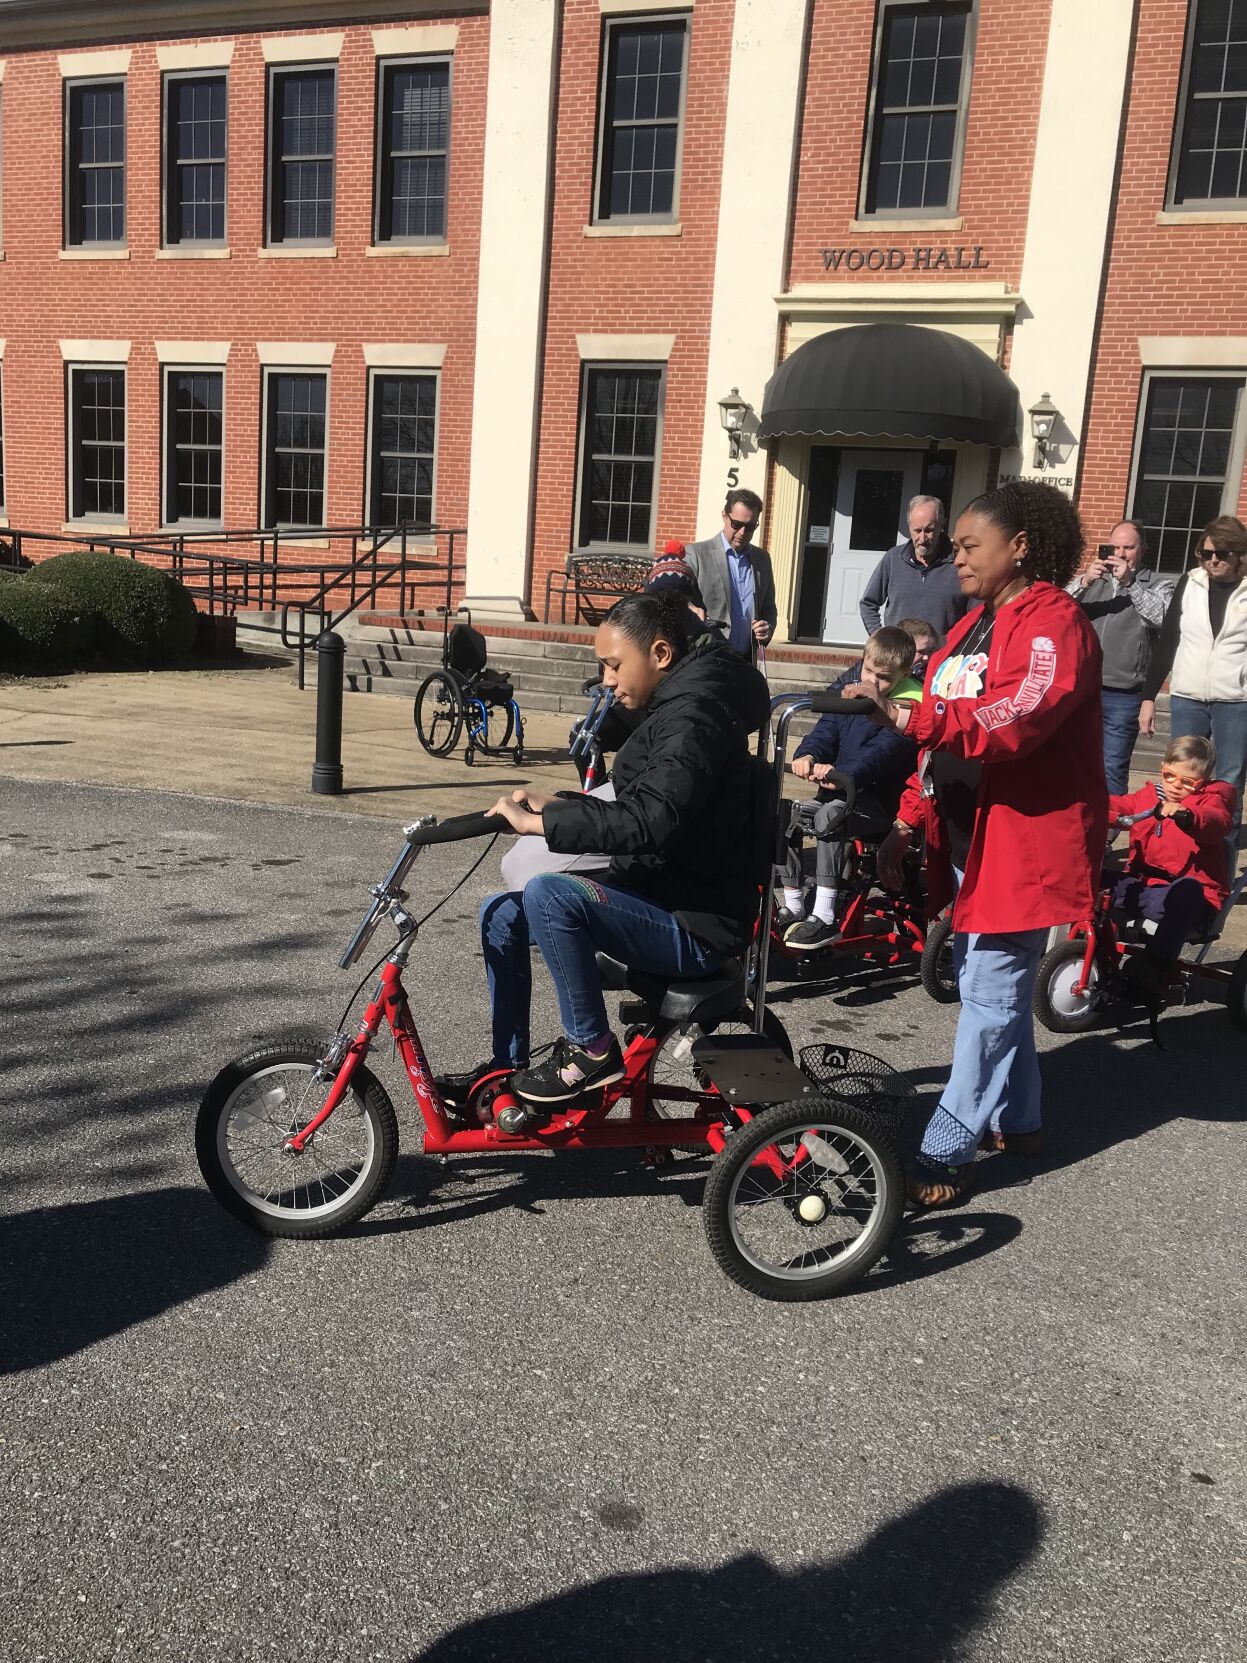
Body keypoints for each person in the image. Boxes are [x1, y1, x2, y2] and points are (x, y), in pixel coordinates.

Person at [867, 480, 1105, 1208]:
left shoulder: (1053, 623)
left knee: (992, 994)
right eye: (957, 545)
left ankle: (946, 1150)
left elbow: (1011, 715)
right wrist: (907, 818)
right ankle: (1020, 1117)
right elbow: (936, 728)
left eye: (971, 546)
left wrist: (910, 711)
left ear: (1020, 547)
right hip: (969, 835)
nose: (957, 557)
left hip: (1025, 841)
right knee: (986, 984)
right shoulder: (975, 620)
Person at [472, 593, 770, 1114]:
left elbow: (650, 820)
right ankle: (507, 1067)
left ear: (659, 654)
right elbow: (642, 803)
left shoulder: (693, 718)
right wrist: (560, 804)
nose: (606, 681)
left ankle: (591, 1049)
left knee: (551, 894)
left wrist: (546, 823)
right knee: (500, 912)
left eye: (613, 666)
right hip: (661, 894)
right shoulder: (674, 705)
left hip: (697, 925)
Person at [778, 626, 921, 950]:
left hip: (881, 806)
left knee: (831, 814)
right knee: (783, 813)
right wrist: (808, 755)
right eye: (868, 670)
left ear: (905, 673)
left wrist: (842, 773)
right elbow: (828, 725)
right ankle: (794, 903)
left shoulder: (908, 706)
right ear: (862, 661)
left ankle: (826, 916)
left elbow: (882, 753)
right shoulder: (851, 683)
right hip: (842, 791)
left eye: (883, 678)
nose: (872, 682)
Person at [1140, 516, 1247, 877]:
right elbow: (1168, 639)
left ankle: (1219, 871)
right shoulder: (1191, 582)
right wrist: (1149, 696)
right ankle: (1179, 865)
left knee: (1228, 786)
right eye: (1205, 553)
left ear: (1240, 555)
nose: (1212, 561)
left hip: (1236, 700)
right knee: (1183, 781)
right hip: (1188, 696)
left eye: (1221, 554)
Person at [1106, 735, 1235, 998]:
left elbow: (1215, 822)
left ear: (1203, 781)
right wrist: (1088, 801)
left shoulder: (1211, 801)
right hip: (1144, 887)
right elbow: (1121, 806)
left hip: (1187, 894)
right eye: (1169, 775)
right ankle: (1088, 949)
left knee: (1187, 891)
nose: (1176, 786)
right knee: (1092, 878)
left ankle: (1155, 965)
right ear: (1163, 767)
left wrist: (1187, 815)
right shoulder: (1149, 796)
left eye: (1187, 782)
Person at [1067, 520, 1175, 793]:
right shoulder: (1092, 581)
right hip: (1082, 689)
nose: (1121, 553)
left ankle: (1107, 833)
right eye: (1115, 547)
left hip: (1124, 694)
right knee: (1072, 762)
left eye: (1128, 547)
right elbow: (1055, 607)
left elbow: (1160, 617)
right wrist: (1082, 581)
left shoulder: (1159, 584)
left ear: (1143, 549)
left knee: (1112, 768)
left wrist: (1130, 582)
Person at [859, 496, 972, 639]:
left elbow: (976, 613)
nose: (923, 538)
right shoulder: (894, 559)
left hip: (941, 656)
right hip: (898, 655)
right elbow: (868, 603)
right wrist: (880, 639)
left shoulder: (959, 563)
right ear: (909, 526)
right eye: (917, 530)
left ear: (942, 525)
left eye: (929, 530)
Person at [684, 488, 778, 658]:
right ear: (724, 516)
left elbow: (769, 608)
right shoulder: (696, 554)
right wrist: (690, 607)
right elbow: (675, 597)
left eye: (750, 527)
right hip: (708, 660)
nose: (742, 533)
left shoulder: (762, 559)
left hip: (745, 661)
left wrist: (768, 628)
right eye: (736, 524)